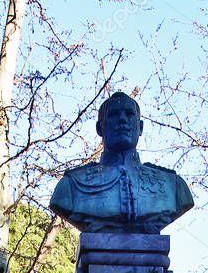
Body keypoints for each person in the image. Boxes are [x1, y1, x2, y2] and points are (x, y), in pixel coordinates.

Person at [50, 92, 193, 233]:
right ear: (100, 128)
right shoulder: (71, 185)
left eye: (129, 114)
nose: (122, 119)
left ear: (141, 127)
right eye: (113, 115)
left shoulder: (173, 186)